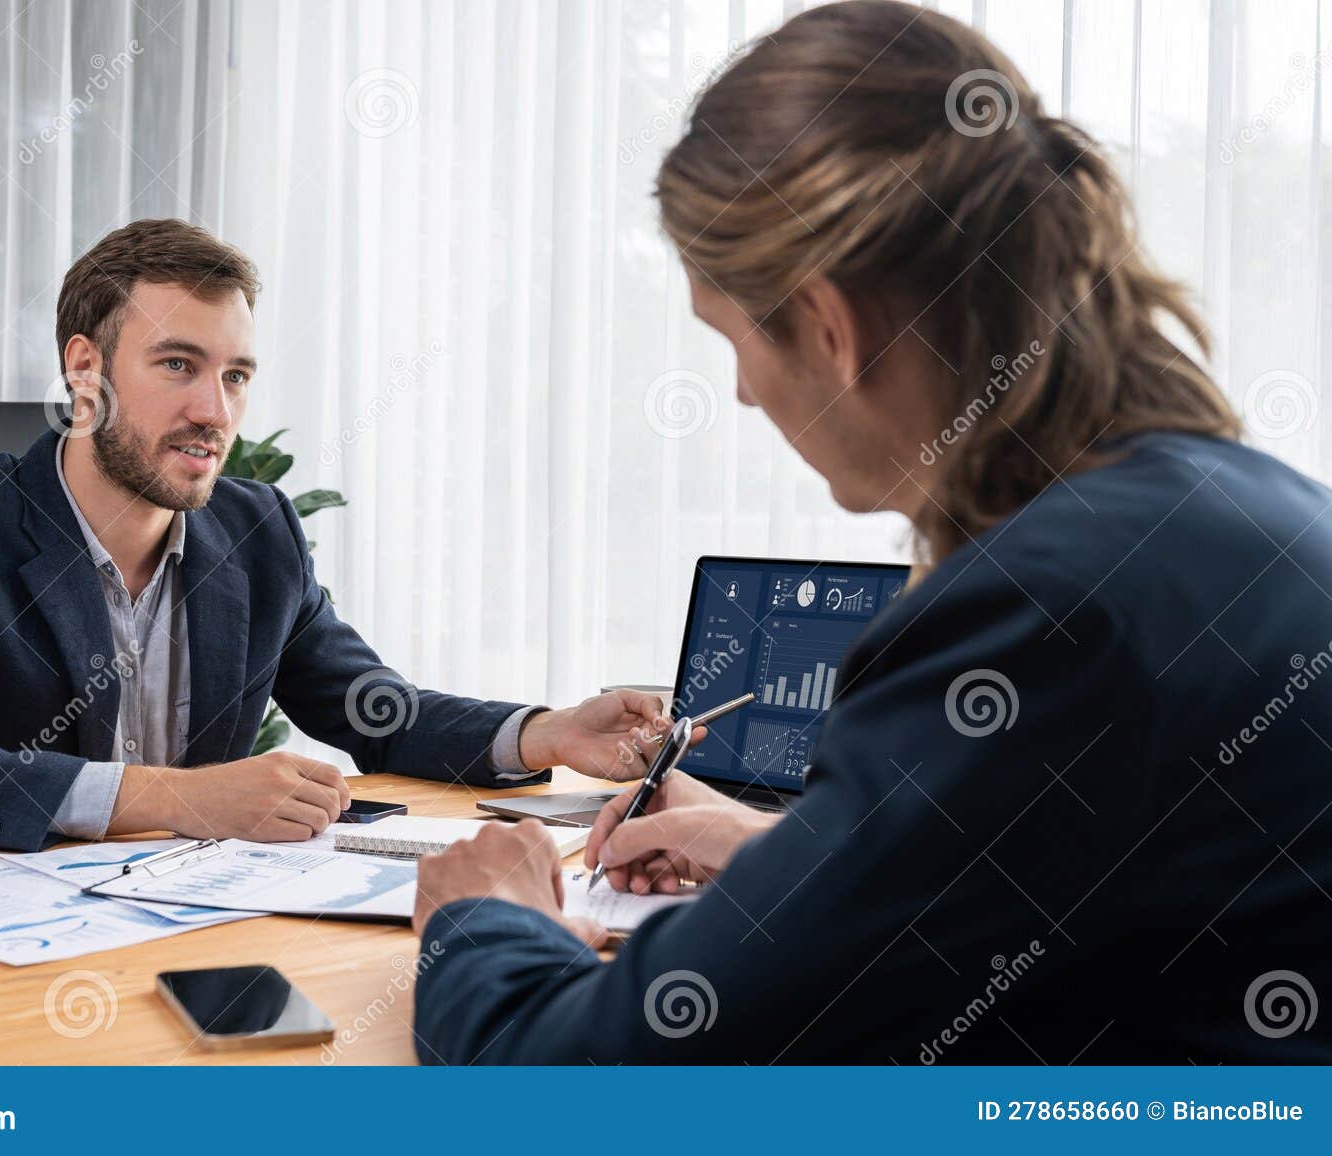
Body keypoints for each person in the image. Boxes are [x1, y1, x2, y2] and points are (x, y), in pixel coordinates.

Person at [410, 0, 1332, 1063]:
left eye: (732, 338)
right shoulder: (1242, 511)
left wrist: (482, 922)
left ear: (829, 326)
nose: (744, 394)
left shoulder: (1037, 612)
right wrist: (805, 861)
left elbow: (582, 1090)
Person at [0, 218, 672, 853]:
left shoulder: (257, 532)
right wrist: (176, 799)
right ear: (85, 370)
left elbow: (379, 712)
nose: (214, 412)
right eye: (178, 365)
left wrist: (550, 732)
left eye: (236, 376)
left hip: (188, 927)